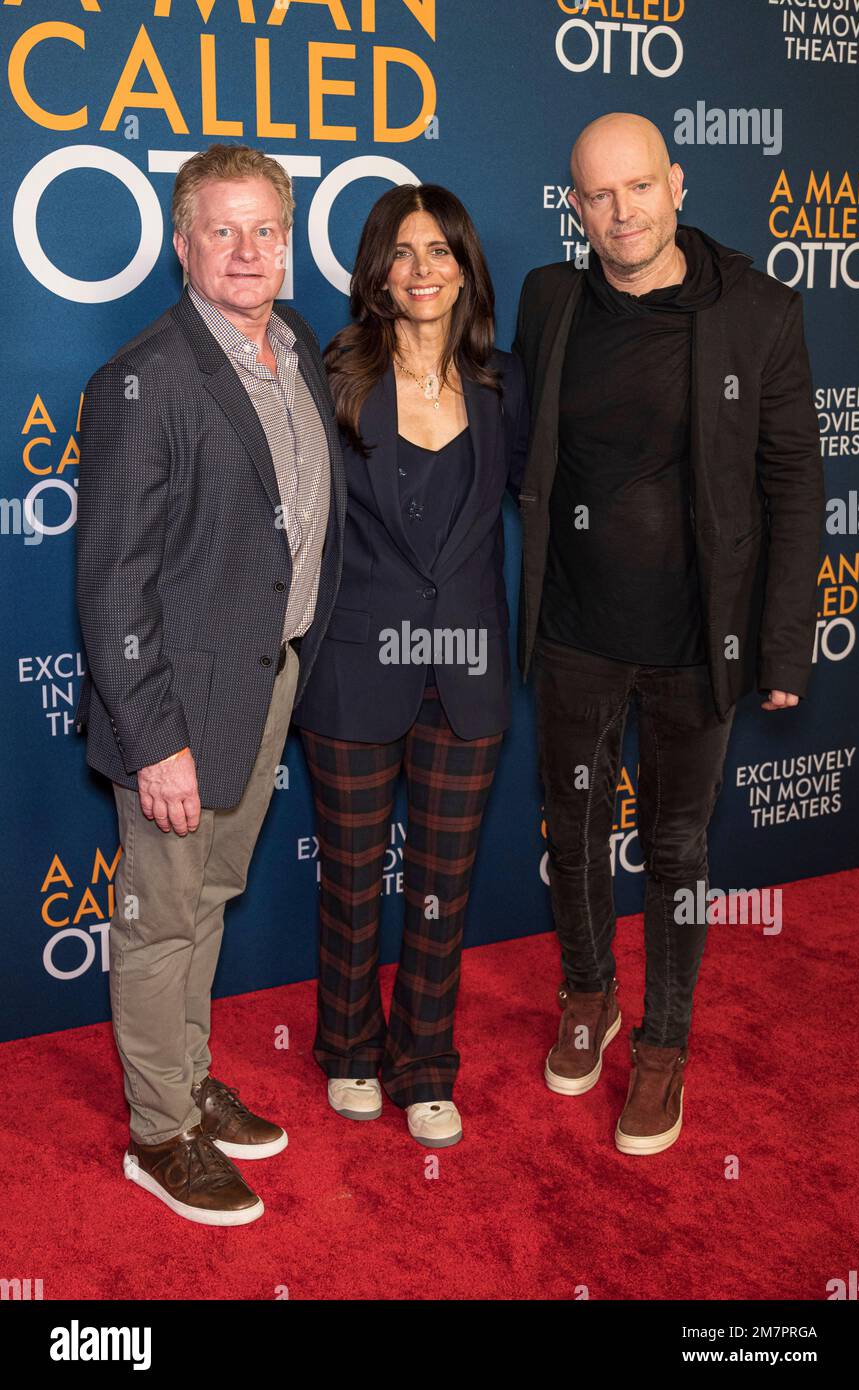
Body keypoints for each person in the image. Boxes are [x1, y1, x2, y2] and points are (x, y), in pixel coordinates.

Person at [513, 113, 824, 1155]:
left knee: (680, 849)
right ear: (575, 207)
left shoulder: (758, 310)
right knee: (574, 830)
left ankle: (664, 1044)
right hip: (573, 633)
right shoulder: (551, 300)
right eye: (598, 196)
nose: (621, 212)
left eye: (639, 187)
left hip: (698, 642)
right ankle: (588, 993)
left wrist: (785, 643)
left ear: (677, 183)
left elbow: (793, 485)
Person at [74, 144, 345, 1223]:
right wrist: (154, 741)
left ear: (287, 240)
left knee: (209, 901)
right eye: (221, 231)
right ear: (183, 244)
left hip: (266, 682)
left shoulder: (296, 345)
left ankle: (185, 1081)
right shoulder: (141, 378)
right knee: (158, 921)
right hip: (175, 715)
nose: (246, 252)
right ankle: (158, 1132)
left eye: (265, 230)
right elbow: (111, 585)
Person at [293, 184, 528, 1148]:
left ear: (466, 267)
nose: (423, 269)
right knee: (351, 878)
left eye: (441, 251)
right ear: (375, 270)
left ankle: (424, 1061)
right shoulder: (332, 374)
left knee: (443, 879)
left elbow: (550, 503)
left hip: (466, 672)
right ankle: (348, 1047)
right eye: (402, 252)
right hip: (354, 666)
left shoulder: (503, 385)